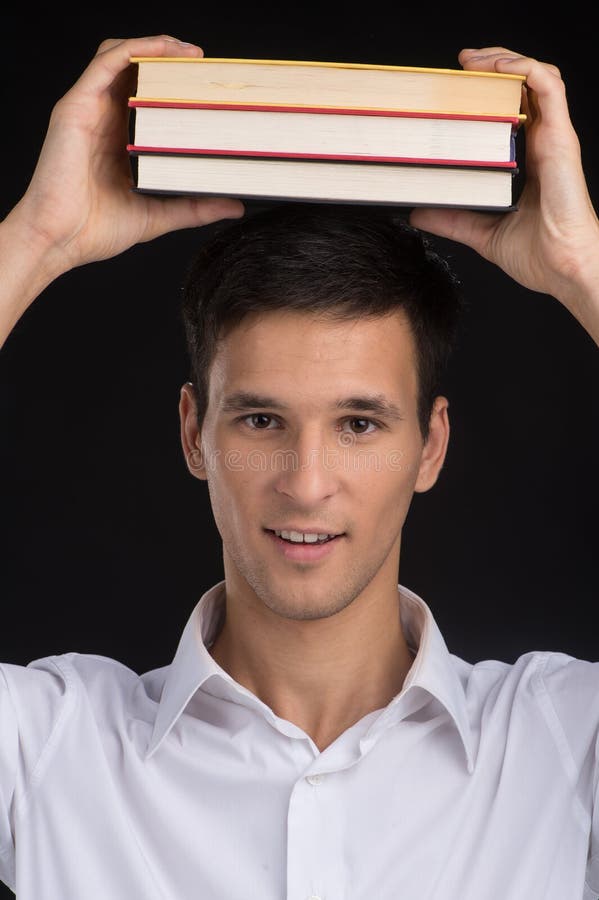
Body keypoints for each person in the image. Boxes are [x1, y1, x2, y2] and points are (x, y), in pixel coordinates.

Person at [1, 33, 598, 900]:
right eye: (259, 418)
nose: (306, 481)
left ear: (429, 446)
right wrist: (38, 239)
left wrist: (585, 266)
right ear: (193, 433)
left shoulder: (560, 739)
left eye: (358, 423)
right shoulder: (48, 744)